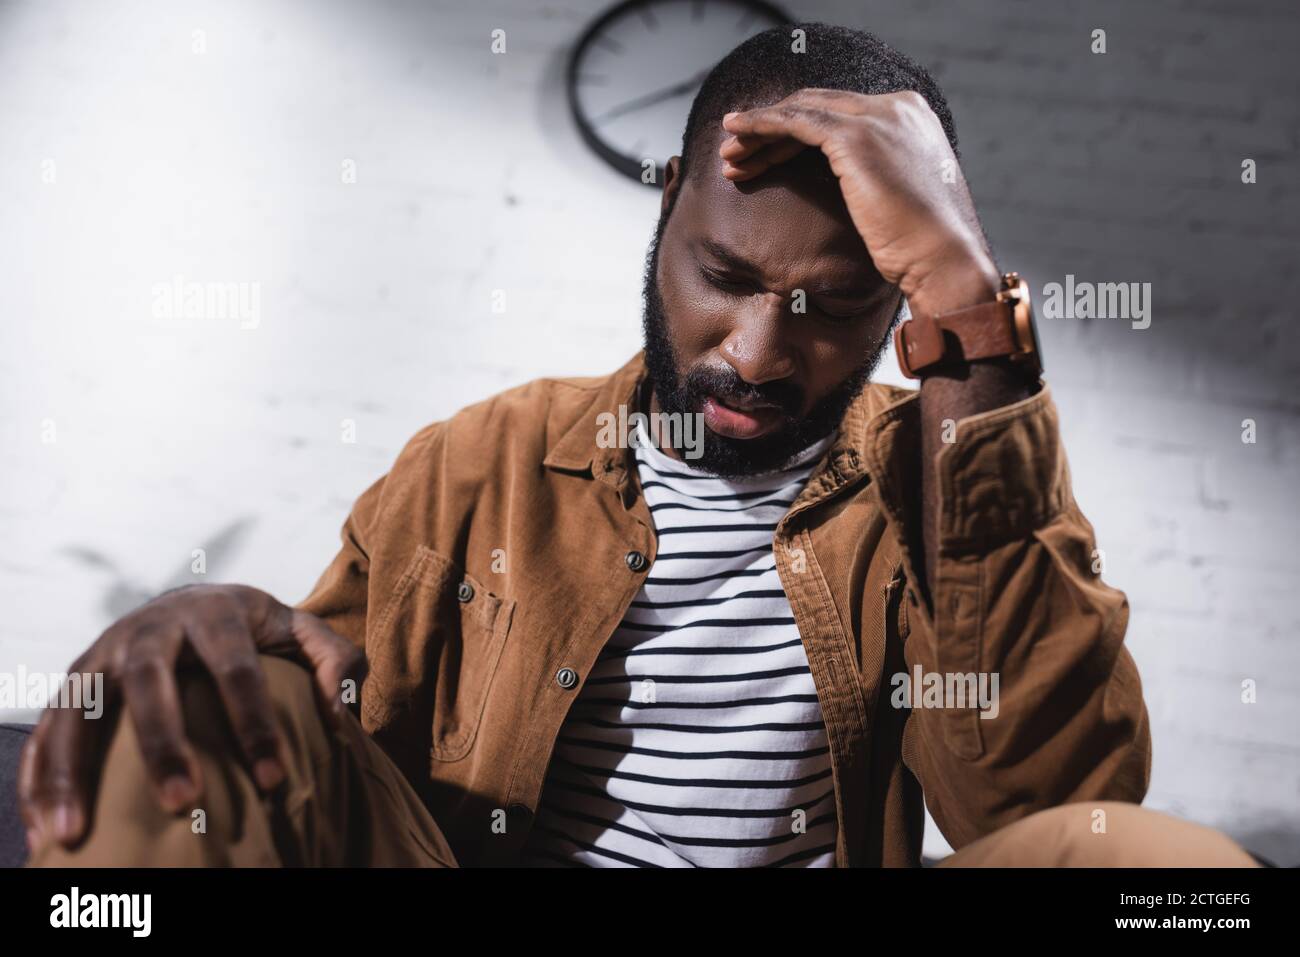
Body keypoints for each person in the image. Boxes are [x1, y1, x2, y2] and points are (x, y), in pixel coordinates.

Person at [19, 23, 1258, 868]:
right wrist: (208, 624)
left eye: (840, 306)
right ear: (665, 214)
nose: (761, 355)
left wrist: (980, 326)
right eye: (723, 276)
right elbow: (309, 731)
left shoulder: (945, 482)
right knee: (173, 700)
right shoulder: (478, 464)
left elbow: (1040, 811)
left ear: (900, 310)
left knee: (1160, 869)